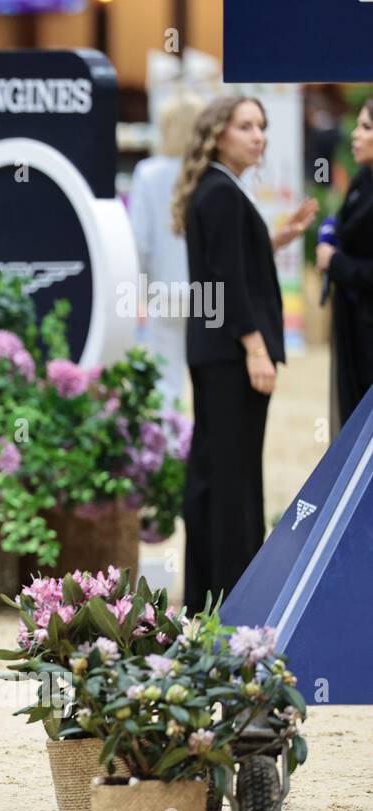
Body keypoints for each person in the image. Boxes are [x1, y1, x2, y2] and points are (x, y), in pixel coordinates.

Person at [172, 95, 317, 612]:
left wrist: (276, 238)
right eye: (245, 126)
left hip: (213, 350)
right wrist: (255, 347)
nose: (258, 136)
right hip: (233, 354)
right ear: (217, 134)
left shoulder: (213, 189)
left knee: (213, 471)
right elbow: (229, 281)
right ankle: (240, 597)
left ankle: (208, 595)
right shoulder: (224, 194)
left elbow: (227, 263)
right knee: (234, 477)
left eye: (262, 126)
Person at [128, 93, 202, 408]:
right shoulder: (210, 172)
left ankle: (171, 447)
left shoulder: (148, 172)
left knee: (166, 379)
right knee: (208, 379)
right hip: (208, 289)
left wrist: (140, 284)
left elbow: (138, 238)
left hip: (164, 288)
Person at [318, 97, 373, 428]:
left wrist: (336, 263)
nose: (354, 134)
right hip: (353, 325)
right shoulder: (362, 181)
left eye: (366, 127)